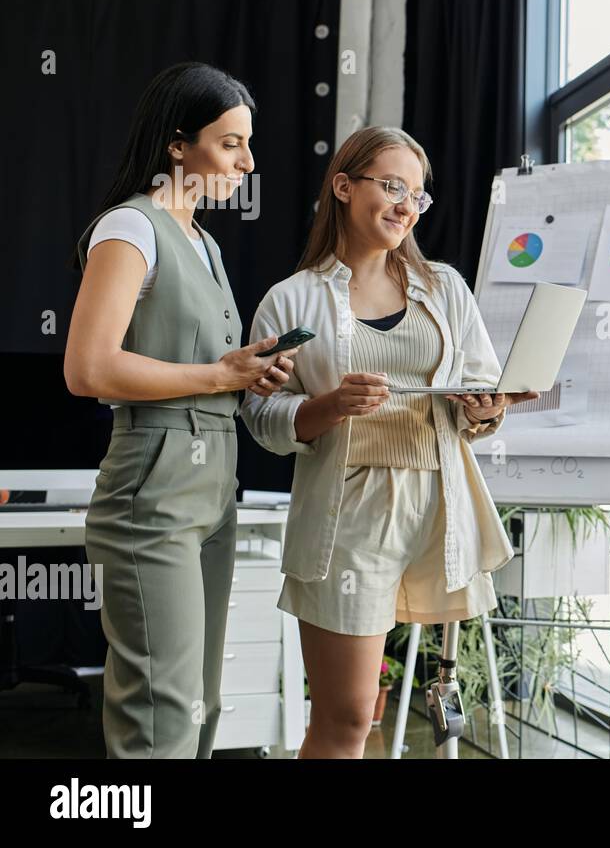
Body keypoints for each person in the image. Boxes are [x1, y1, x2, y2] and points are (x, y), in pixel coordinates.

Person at [241, 126, 537, 758]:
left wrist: (488, 409)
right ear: (344, 188)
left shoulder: (446, 289)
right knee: (347, 720)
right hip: (349, 517)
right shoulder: (292, 300)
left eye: (418, 195)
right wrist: (326, 407)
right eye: (393, 186)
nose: (407, 204)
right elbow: (261, 418)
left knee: (439, 706)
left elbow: (481, 393)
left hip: (440, 505)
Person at [65, 62, 297, 757]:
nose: (248, 161)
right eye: (231, 144)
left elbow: (195, 366)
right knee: (162, 712)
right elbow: (88, 367)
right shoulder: (130, 228)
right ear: (176, 145)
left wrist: (243, 372)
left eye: (248, 144)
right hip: (155, 483)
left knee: (199, 702)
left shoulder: (205, 242)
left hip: (212, 484)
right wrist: (217, 372)